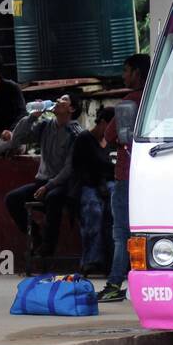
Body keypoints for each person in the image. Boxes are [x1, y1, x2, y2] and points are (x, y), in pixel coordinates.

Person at [3, 93, 82, 265]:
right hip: (42, 182)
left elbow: (70, 168)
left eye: (64, 100)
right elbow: (17, 139)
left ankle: (48, 246)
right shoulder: (45, 126)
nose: (58, 102)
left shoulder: (76, 134)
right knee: (12, 199)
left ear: (71, 109)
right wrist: (31, 117)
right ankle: (35, 234)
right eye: (59, 99)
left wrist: (49, 186)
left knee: (53, 197)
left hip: (62, 184)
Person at [98, 53, 150, 303]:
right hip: (150, 177)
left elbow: (109, 135)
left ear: (137, 73)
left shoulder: (129, 102)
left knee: (121, 233)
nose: (124, 75)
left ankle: (114, 284)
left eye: (127, 71)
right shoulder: (158, 99)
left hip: (127, 176)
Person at [70, 106, 115, 276]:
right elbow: (83, 170)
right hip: (87, 185)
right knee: (93, 211)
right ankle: (91, 260)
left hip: (108, 185)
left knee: (114, 213)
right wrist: (100, 185)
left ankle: (111, 261)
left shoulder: (111, 142)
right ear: (103, 123)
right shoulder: (84, 139)